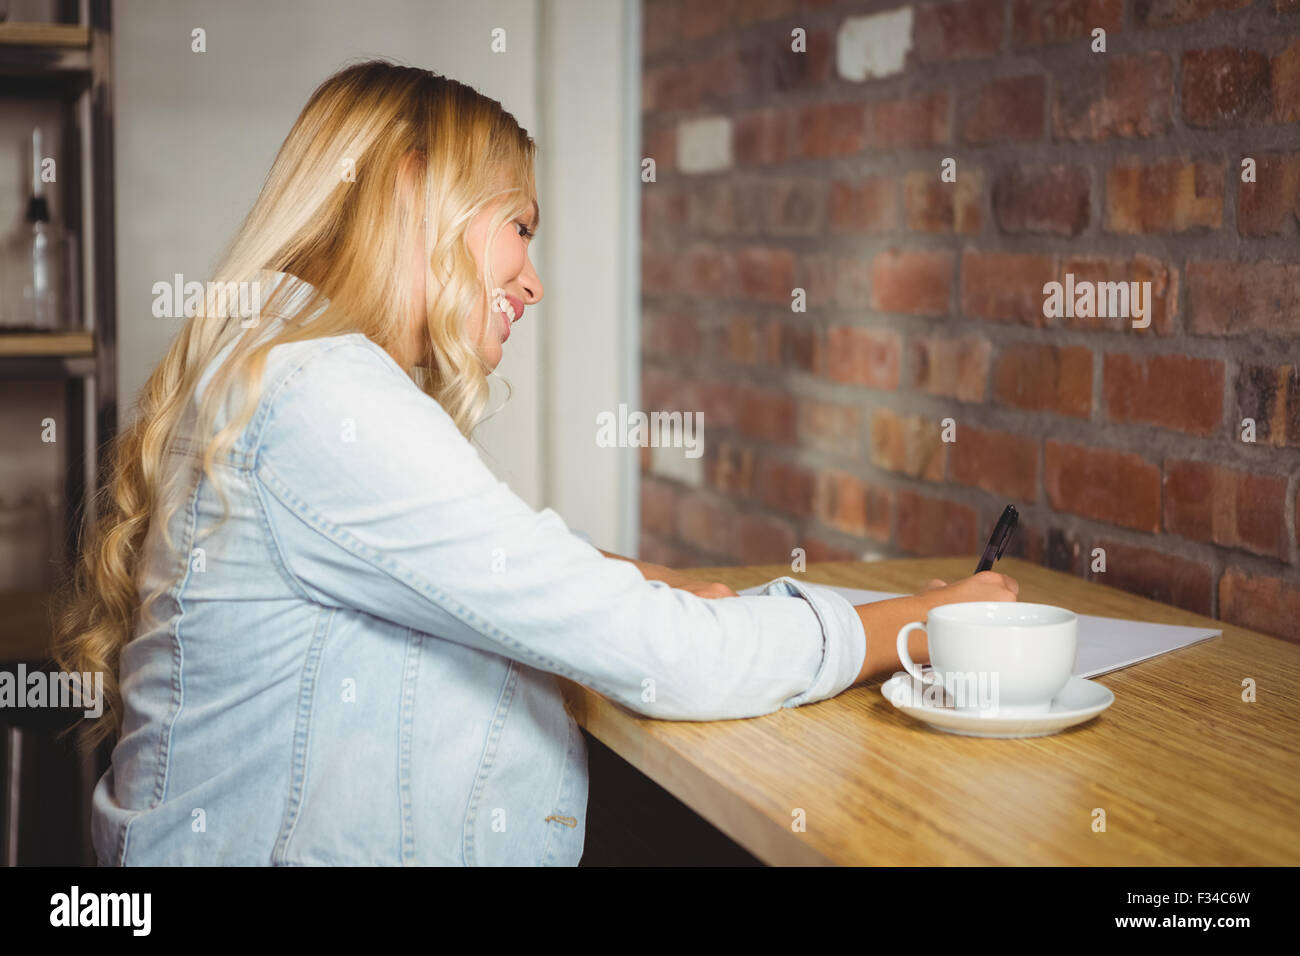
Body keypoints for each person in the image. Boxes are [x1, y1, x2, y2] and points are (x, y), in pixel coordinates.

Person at [55, 60, 1018, 866]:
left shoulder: (280, 372)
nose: (534, 277)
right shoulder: (322, 400)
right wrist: (924, 626)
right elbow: (653, 653)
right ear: (409, 185)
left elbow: (484, 567)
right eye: (518, 225)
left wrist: (651, 582)